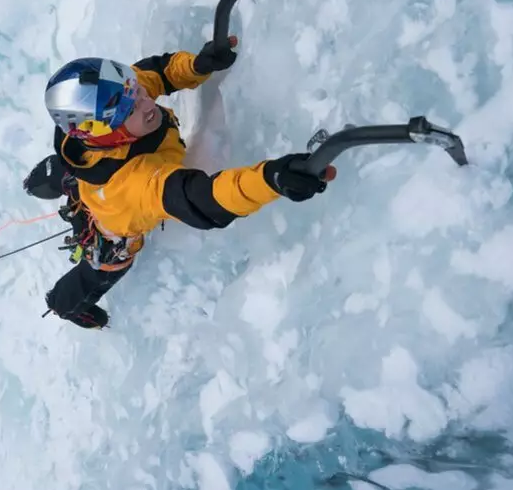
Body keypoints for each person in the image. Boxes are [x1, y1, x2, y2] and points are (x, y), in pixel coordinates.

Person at [23, 37, 332, 329]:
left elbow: (155, 73)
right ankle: (65, 306)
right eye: (131, 109)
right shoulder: (137, 185)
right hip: (113, 222)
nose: (146, 103)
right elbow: (201, 198)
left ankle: (60, 175)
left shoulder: (118, 96)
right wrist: (272, 178)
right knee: (102, 270)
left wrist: (197, 65)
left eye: (138, 93)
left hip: (99, 176)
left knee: (80, 177)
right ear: (105, 132)